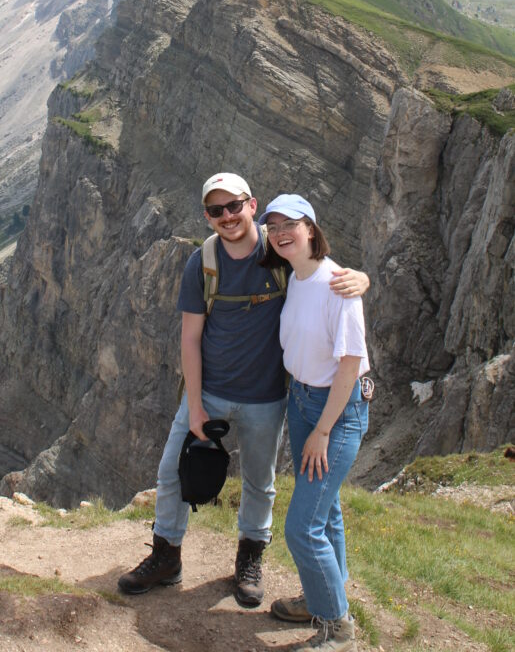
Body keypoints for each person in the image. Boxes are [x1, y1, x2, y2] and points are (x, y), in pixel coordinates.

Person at [118, 173, 369, 608]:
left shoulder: (280, 253)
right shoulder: (204, 261)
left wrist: (361, 279)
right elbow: (190, 339)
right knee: (171, 473)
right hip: (210, 391)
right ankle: (166, 557)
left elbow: (324, 273)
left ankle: (249, 562)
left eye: (234, 206)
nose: (227, 217)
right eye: (216, 211)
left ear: (252, 205)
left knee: (259, 483)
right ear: (207, 217)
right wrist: (194, 406)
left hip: (266, 397)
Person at [260, 193, 370, 652]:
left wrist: (324, 431)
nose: (282, 232)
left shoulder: (336, 284)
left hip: (336, 412)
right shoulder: (294, 275)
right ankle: (325, 594)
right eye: (274, 225)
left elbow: (350, 363)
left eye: (292, 223)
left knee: (301, 527)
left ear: (311, 228)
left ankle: (336, 627)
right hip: (302, 400)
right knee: (328, 510)